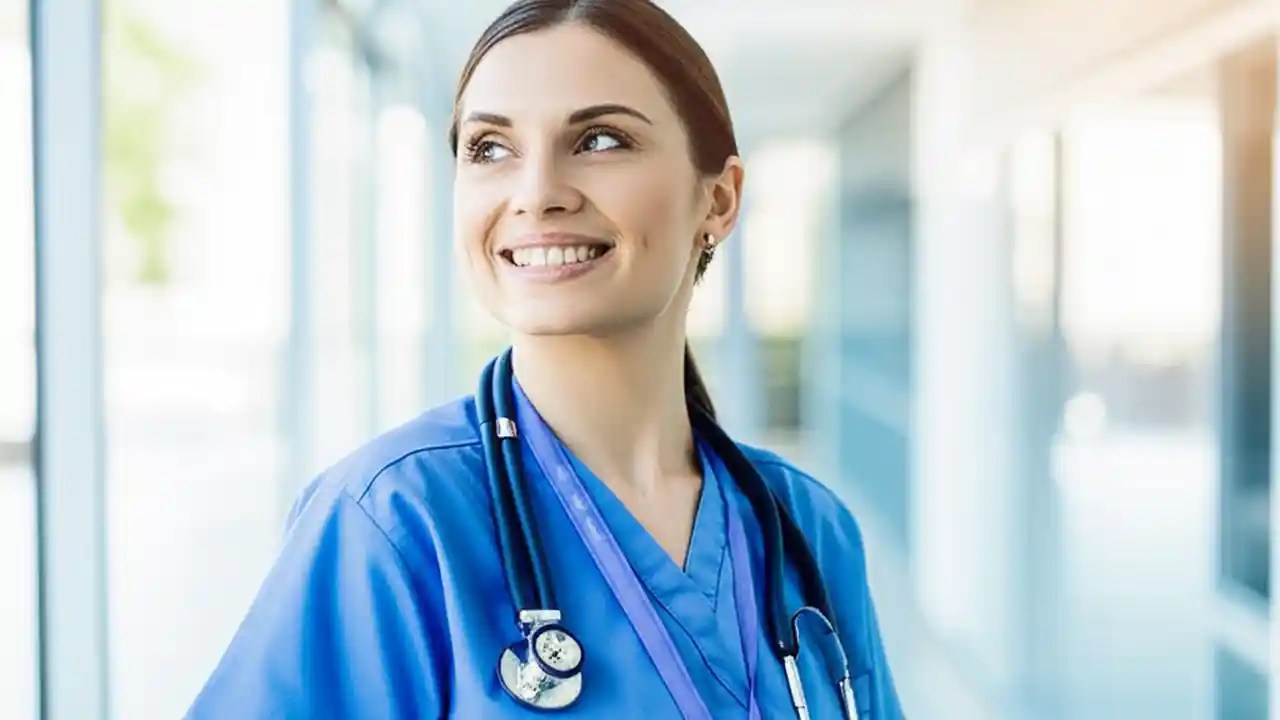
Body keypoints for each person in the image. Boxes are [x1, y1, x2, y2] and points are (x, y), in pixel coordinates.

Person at [186, 1, 902, 717]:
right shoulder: (391, 523)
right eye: (490, 149)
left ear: (718, 199)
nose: (536, 195)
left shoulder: (807, 529)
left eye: (599, 139)